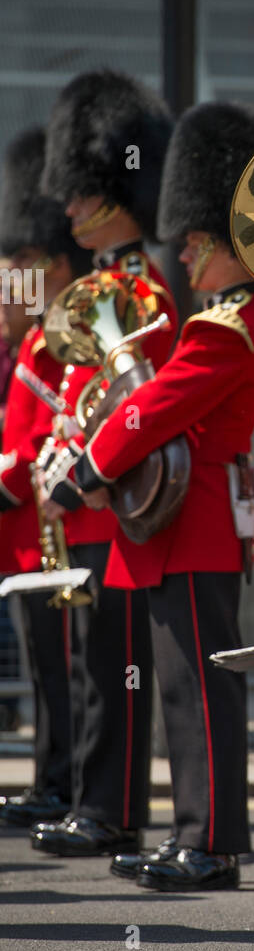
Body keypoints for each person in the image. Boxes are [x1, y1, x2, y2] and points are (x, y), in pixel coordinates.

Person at [69, 100, 254, 890]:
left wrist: (91, 466)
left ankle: (211, 842)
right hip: (179, 518)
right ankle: (196, 832)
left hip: (190, 522)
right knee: (183, 689)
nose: (186, 257)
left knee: (197, 690)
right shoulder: (225, 318)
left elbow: (150, 409)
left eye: (196, 243)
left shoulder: (227, 326)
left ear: (227, 246)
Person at [29, 70, 176, 857]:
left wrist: (78, 468)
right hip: (78, 496)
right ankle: (95, 798)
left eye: (83, 194)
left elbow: (131, 401)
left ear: (114, 196)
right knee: (94, 666)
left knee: (112, 668)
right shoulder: (101, 286)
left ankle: (111, 807)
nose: (71, 207)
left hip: (110, 504)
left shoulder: (141, 287)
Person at [0, 127, 91, 827]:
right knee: (44, 668)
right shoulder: (36, 334)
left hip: (49, 521)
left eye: (25, 260)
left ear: (56, 262)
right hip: (25, 525)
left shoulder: (67, 330)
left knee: (65, 667)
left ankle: (65, 785)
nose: (14, 273)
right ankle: (50, 780)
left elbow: (52, 433)